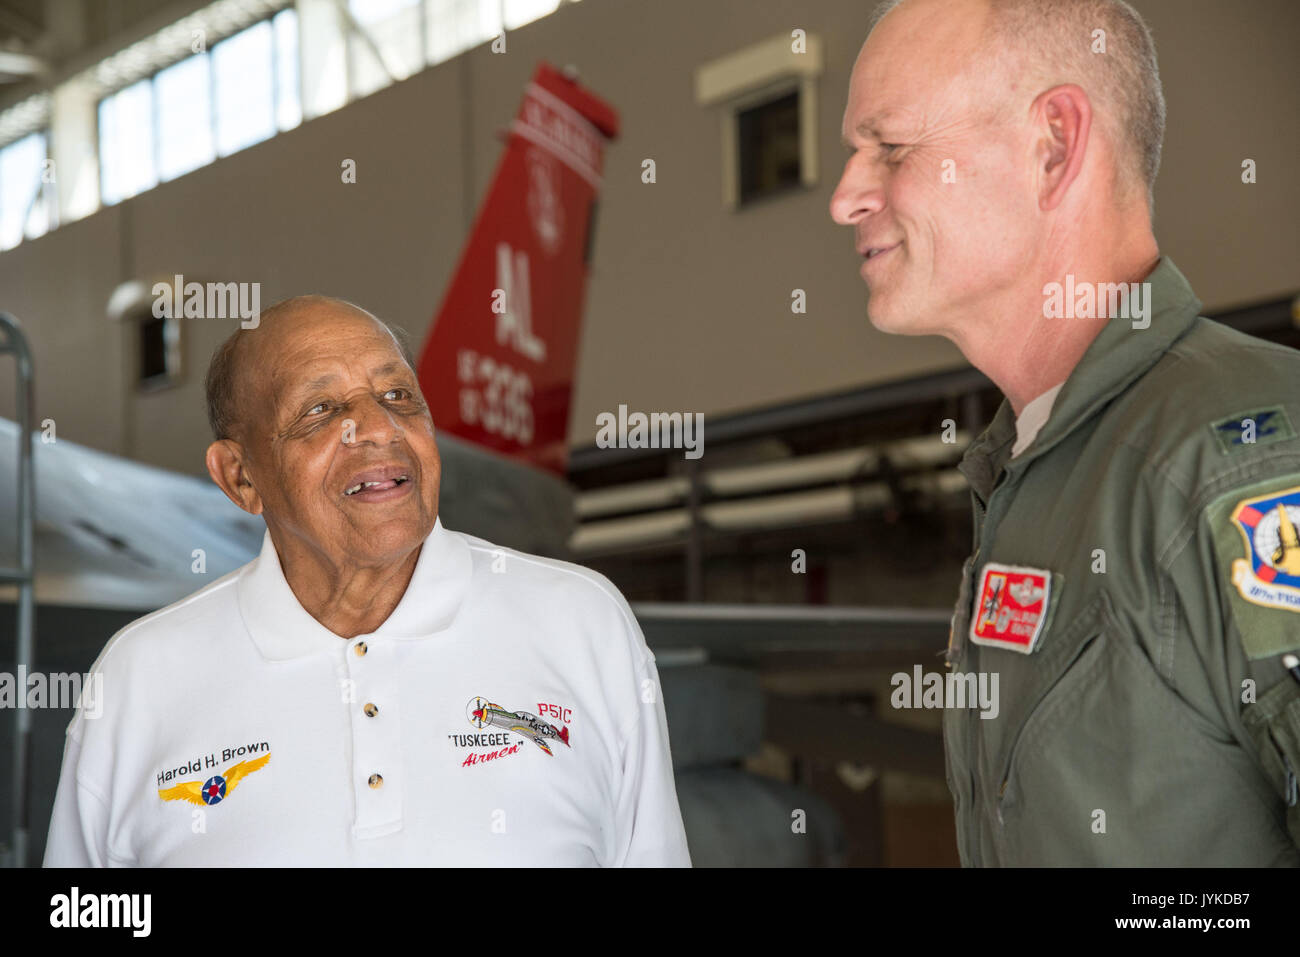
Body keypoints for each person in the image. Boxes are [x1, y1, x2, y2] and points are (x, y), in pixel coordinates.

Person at [831, 0, 1300, 864]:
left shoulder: (1245, 460)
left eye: (890, 148)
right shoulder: (1035, 469)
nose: (845, 198)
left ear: (1053, 144)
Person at [44, 295, 691, 866]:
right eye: (321, 409)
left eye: (398, 396)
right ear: (240, 477)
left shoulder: (582, 623)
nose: (379, 428)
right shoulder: (139, 678)